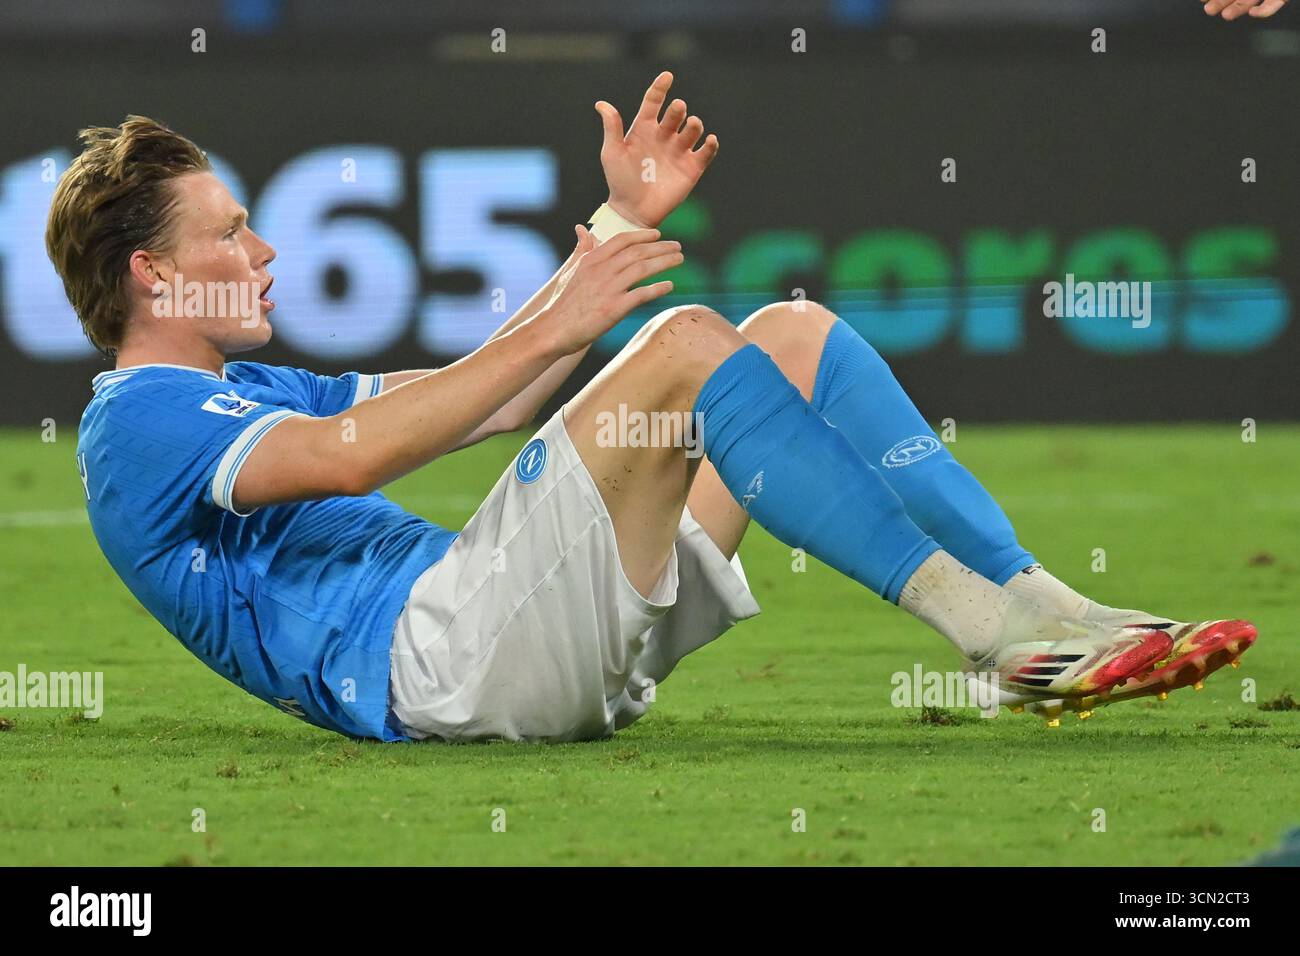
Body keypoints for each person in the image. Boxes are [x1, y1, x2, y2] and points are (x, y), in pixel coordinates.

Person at [48, 74, 1253, 743]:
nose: (263, 250)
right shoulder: (135, 420)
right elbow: (360, 456)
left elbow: (482, 398)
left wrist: (614, 232)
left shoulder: (239, 386)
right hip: (439, 664)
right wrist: (580, 316)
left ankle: (1041, 607)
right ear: (153, 273)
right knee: (681, 345)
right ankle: (992, 636)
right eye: (231, 230)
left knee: (791, 336)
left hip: (517, 631)